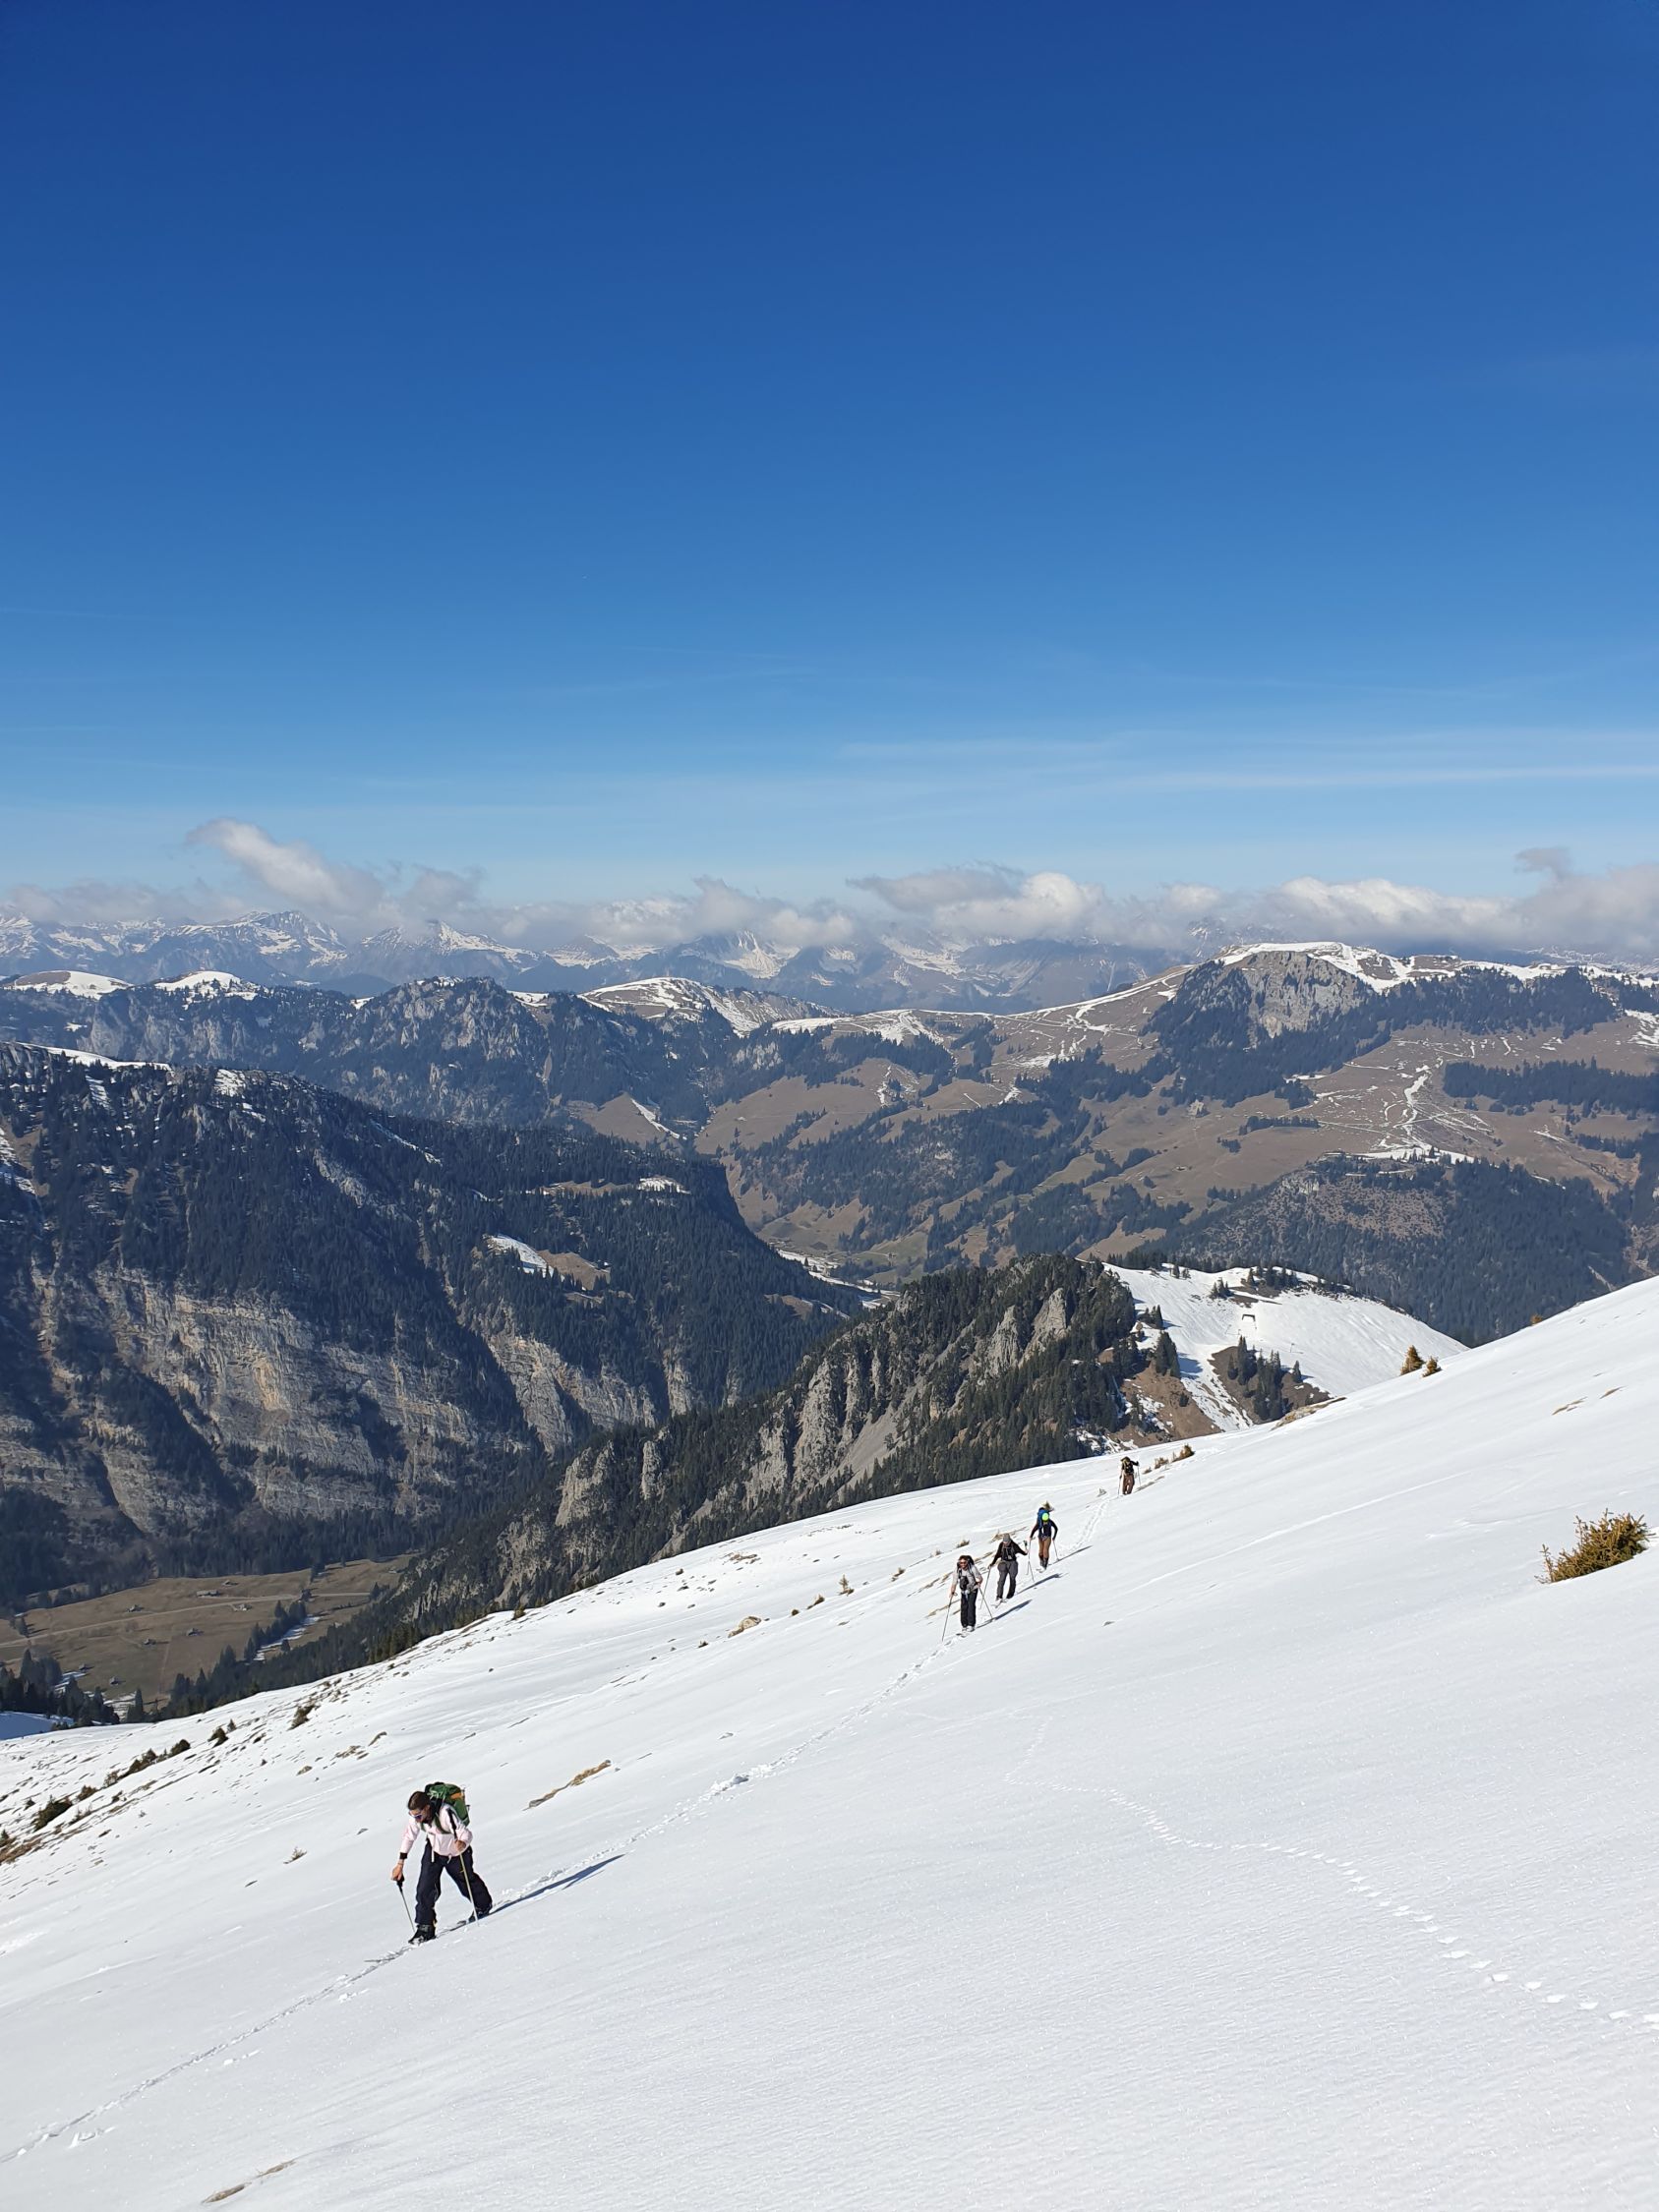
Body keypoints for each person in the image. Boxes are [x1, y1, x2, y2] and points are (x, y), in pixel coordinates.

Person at [392, 1787, 493, 1942]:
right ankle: (425, 1927)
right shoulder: (416, 1818)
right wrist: (400, 1864)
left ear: (427, 1808)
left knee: (466, 1882)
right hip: (434, 1852)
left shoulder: (446, 1813)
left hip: (456, 1854)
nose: (416, 1819)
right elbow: (409, 1837)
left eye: (418, 1815)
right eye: (412, 1816)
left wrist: (462, 1843)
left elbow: (466, 1834)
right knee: (424, 1888)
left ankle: (483, 1905)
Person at [990, 1532, 1026, 1601]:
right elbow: (998, 1554)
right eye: (1004, 1542)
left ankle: (1010, 1594)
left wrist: (1025, 1552)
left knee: (1012, 1578)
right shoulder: (1001, 1545)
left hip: (1012, 1563)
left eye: (1006, 1543)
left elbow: (1021, 1552)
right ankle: (999, 1596)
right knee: (1001, 1580)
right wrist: (993, 1563)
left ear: (1009, 1541)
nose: (1005, 1544)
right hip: (1004, 1563)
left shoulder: (1014, 1545)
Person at [954, 1553, 983, 1633]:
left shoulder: (972, 1568)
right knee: (963, 1608)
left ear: (967, 1562)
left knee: (971, 1606)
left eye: (964, 1563)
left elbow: (980, 1578)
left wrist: (979, 1582)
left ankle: (971, 1624)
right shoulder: (958, 1570)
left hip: (973, 1589)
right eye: (961, 1563)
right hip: (963, 1591)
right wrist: (952, 1591)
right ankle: (964, 1625)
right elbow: (954, 1581)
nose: (962, 1564)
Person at [1030, 1503, 1058, 1568]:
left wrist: (1031, 1536)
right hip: (1047, 1536)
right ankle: (1044, 1563)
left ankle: (1042, 1561)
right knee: (1044, 1550)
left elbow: (1035, 1528)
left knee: (1042, 1550)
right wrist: (1054, 1537)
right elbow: (1056, 1528)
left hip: (1041, 1536)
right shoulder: (1050, 1521)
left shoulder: (1040, 1521)